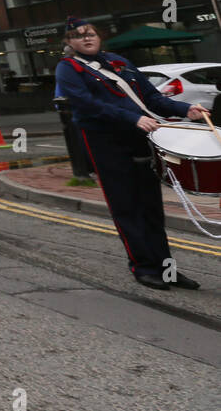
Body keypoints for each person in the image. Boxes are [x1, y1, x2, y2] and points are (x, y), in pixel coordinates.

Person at [54, 17, 206, 290]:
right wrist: (130, 118)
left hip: (140, 135)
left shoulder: (119, 62)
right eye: (78, 36)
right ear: (69, 42)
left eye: (89, 34)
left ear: (98, 36)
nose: (86, 39)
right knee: (126, 206)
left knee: (152, 206)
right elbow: (87, 104)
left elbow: (152, 98)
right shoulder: (68, 68)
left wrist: (186, 110)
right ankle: (143, 267)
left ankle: (166, 268)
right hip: (105, 140)